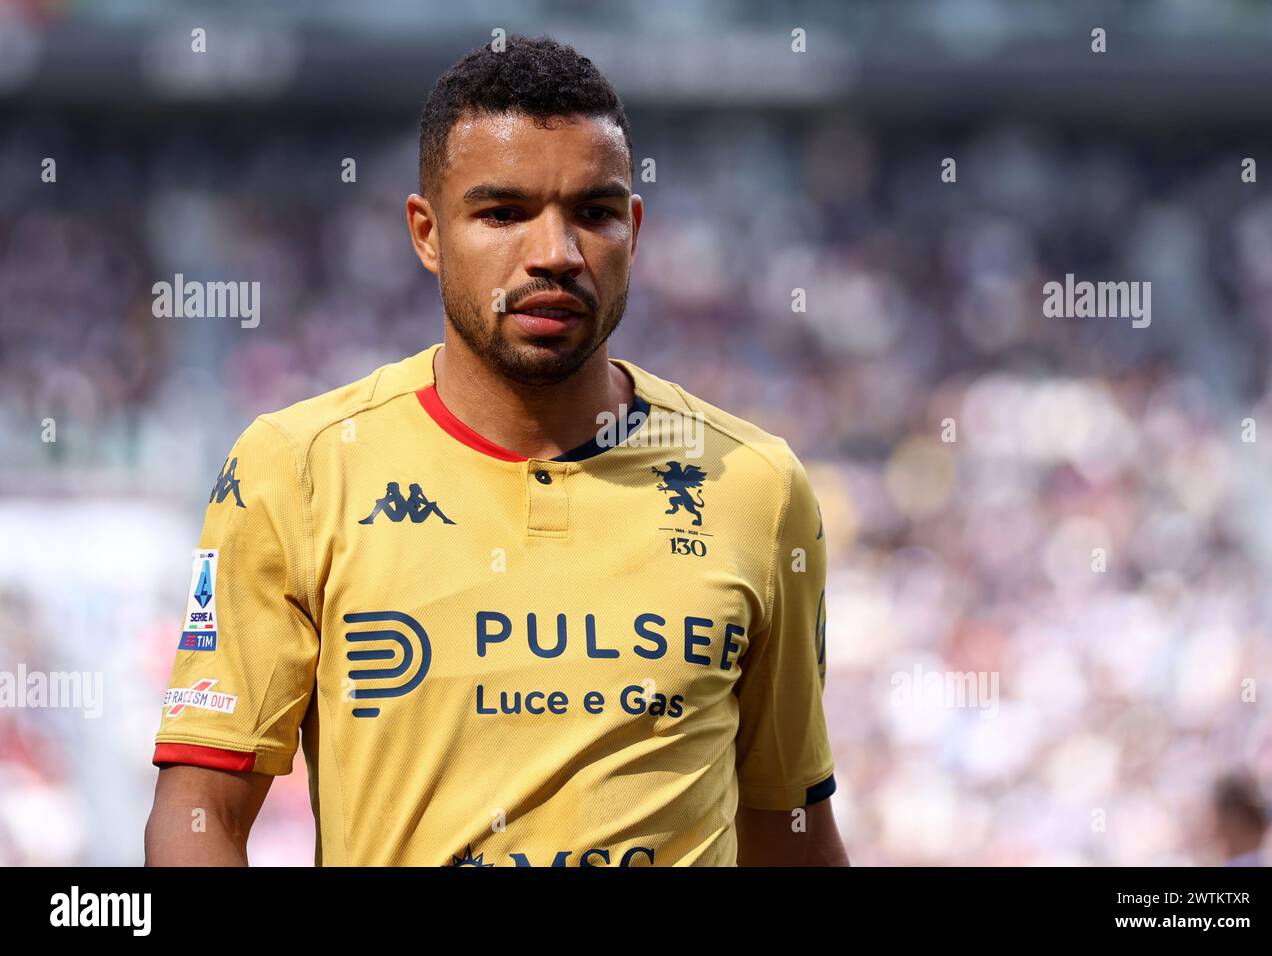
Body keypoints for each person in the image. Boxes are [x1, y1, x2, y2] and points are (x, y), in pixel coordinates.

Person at [144, 35, 846, 866]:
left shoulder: (756, 488)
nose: (555, 254)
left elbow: (790, 827)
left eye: (594, 212)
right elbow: (201, 818)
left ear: (635, 230)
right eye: (503, 214)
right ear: (426, 232)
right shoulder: (296, 469)